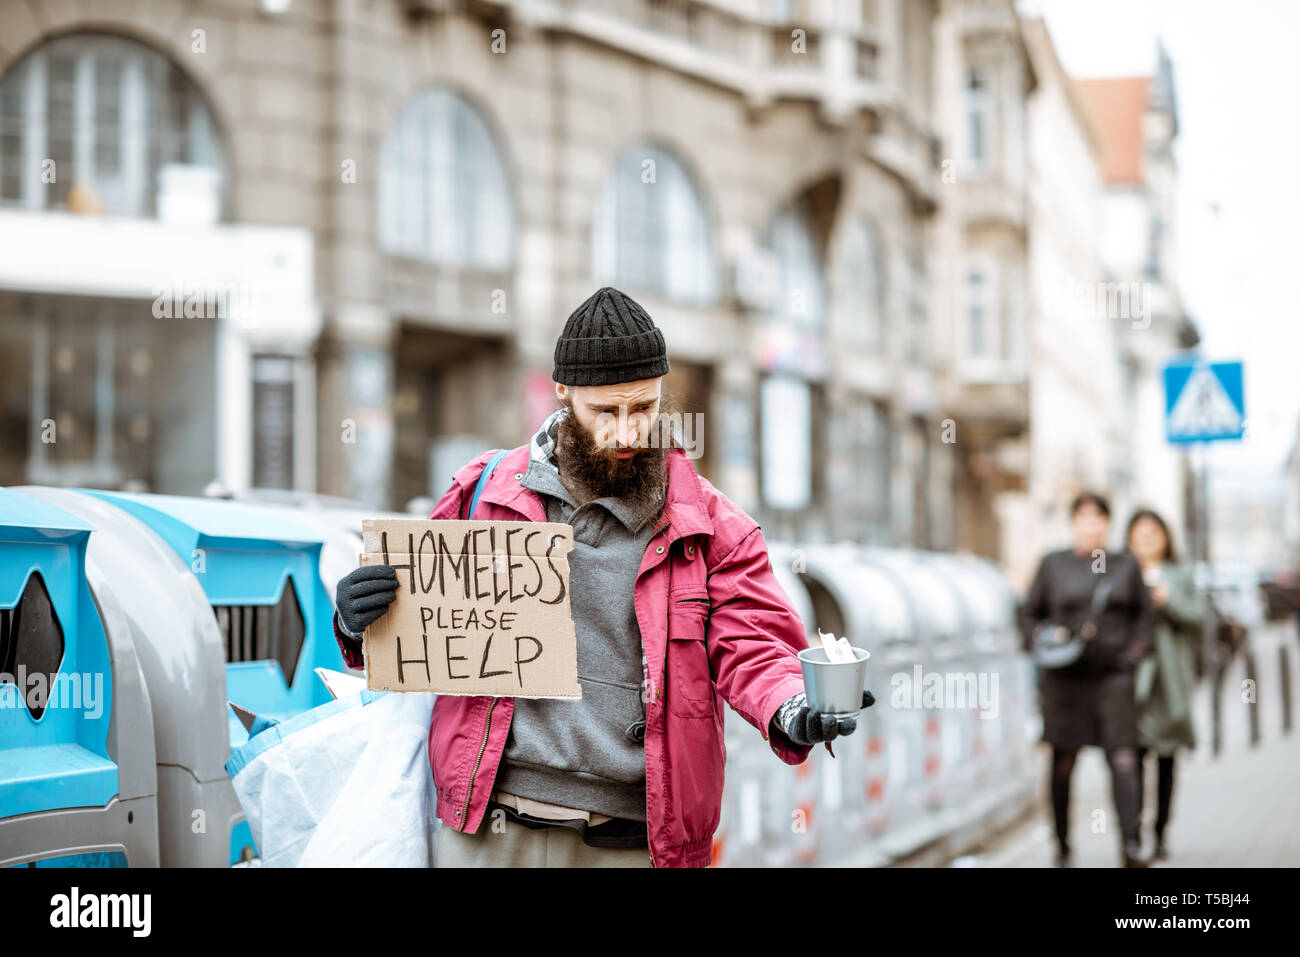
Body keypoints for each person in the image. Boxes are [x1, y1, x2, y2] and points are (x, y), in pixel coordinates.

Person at [332, 286, 874, 867]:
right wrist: (358, 620)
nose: (625, 433)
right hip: (485, 830)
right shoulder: (481, 489)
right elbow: (424, 625)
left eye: (643, 409)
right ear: (564, 394)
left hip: (629, 843)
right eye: (605, 412)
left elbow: (754, 647)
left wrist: (792, 706)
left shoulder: (716, 529)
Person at [1019, 491, 1154, 868]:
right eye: (1083, 517)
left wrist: (1134, 653)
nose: (1091, 525)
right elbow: (1028, 615)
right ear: (1074, 522)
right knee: (1063, 761)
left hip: (1113, 677)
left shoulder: (1126, 565)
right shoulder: (1053, 565)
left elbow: (1144, 617)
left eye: (1098, 517)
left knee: (1125, 758)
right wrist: (1047, 638)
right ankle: (1062, 847)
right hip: (1065, 680)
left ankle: (1130, 845)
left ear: (1107, 524)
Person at [1126, 507, 1204, 862]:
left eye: (1153, 535)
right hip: (1135, 680)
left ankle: (1161, 833)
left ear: (1165, 538)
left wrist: (1166, 600)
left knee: (1168, 758)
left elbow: (1197, 617)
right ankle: (1135, 833)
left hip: (1171, 681)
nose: (1146, 542)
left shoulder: (1181, 573)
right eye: (1139, 536)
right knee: (1135, 757)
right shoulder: (1122, 574)